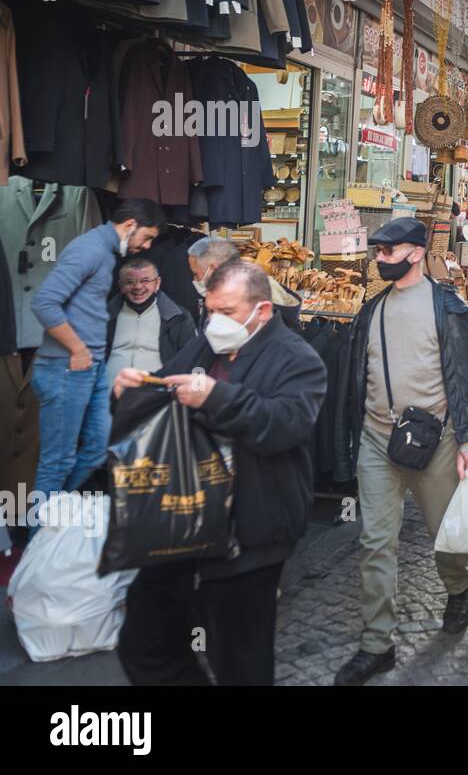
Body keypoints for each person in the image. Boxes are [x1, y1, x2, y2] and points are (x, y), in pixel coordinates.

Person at [113, 261, 327, 685]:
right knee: (145, 644)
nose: (215, 322)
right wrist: (137, 385)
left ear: (262, 311)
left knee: (240, 664)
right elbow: (165, 384)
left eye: (227, 312)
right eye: (209, 310)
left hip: (248, 538)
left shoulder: (299, 359)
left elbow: (281, 424)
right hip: (183, 522)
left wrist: (217, 397)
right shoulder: (205, 346)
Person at [334, 218, 468, 686]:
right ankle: (376, 645)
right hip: (375, 439)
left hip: (436, 441)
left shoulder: (448, 308)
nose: (379, 260)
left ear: (414, 253)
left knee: (444, 534)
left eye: (388, 252)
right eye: (377, 252)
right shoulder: (371, 310)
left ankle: (459, 586)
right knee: (375, 543)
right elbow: (356, 377)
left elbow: (467, 378)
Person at [30, 199, 166, 497]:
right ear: (131, 225)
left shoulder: (104, 252)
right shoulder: (90, 249)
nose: (147, 246)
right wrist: (78, 350)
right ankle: (40, 536)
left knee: (96, 448)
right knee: (58, 461)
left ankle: (56, 514)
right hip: (65, 367)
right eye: (148, 237)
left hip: (88, 366)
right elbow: (44, 302)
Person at [105, 258, 196, 388]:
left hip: (156, 396)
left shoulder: (178, 317)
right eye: (130, 282)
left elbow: (190, 359)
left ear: (157, 283)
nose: (138, 287)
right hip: (108, 393)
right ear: (121, 286)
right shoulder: (104, 316)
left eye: (145, 280)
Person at [188, 236, 242, 329]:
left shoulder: (242, 307)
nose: (194, 279)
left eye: (196, 274)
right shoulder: (217, 300)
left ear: (212, 268)